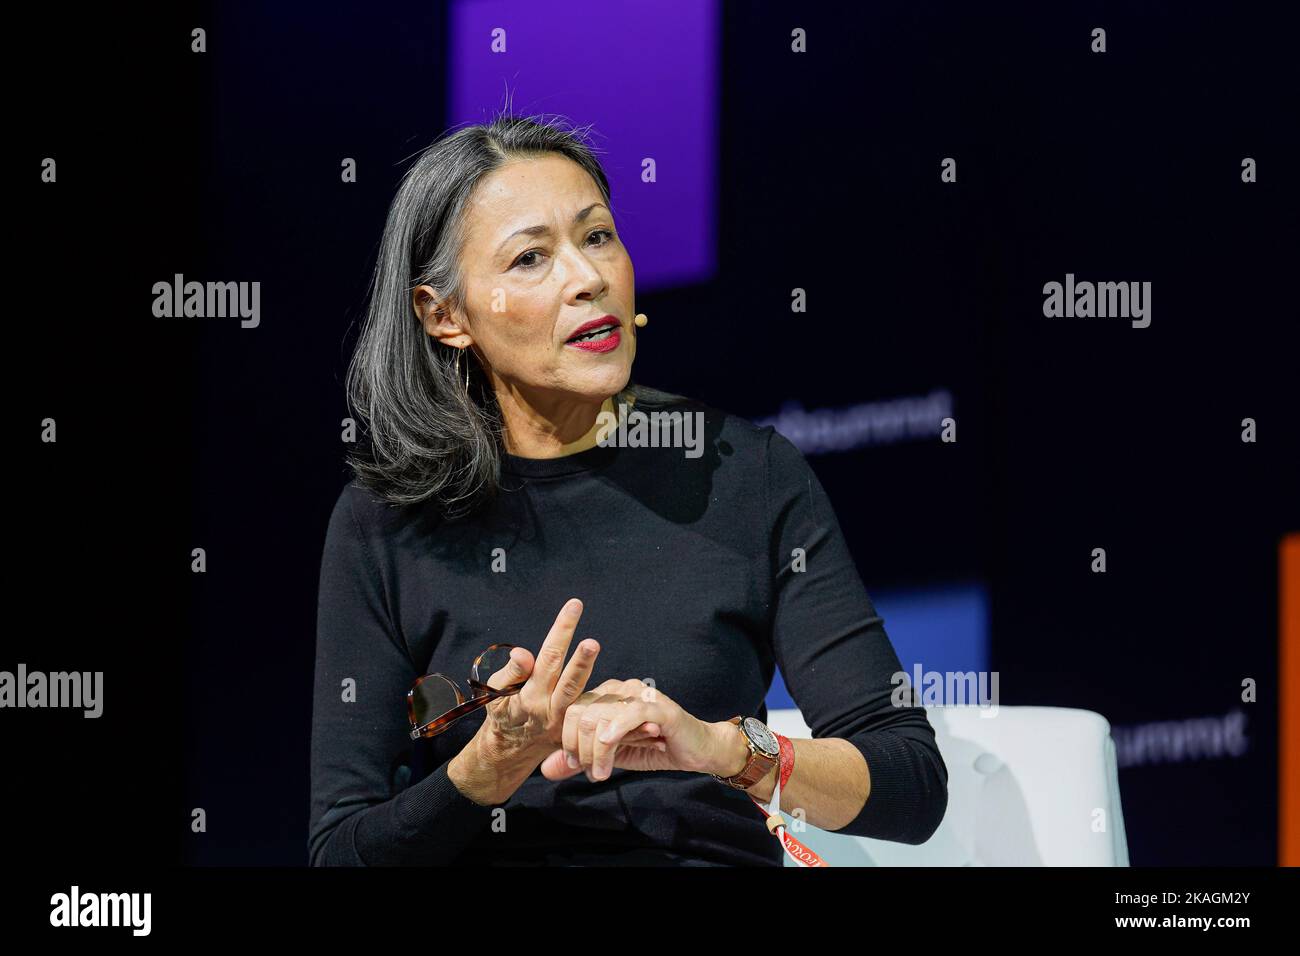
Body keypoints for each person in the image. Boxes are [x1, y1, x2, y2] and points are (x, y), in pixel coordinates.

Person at [308, 113, 948, 866]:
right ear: (446, 316)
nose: (587, 278)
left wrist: (724, 749)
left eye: (597, 237)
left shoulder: (748, 473)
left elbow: (912, 786)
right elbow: (341, 850)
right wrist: (490, 766)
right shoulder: (386, 522)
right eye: (531, 259)